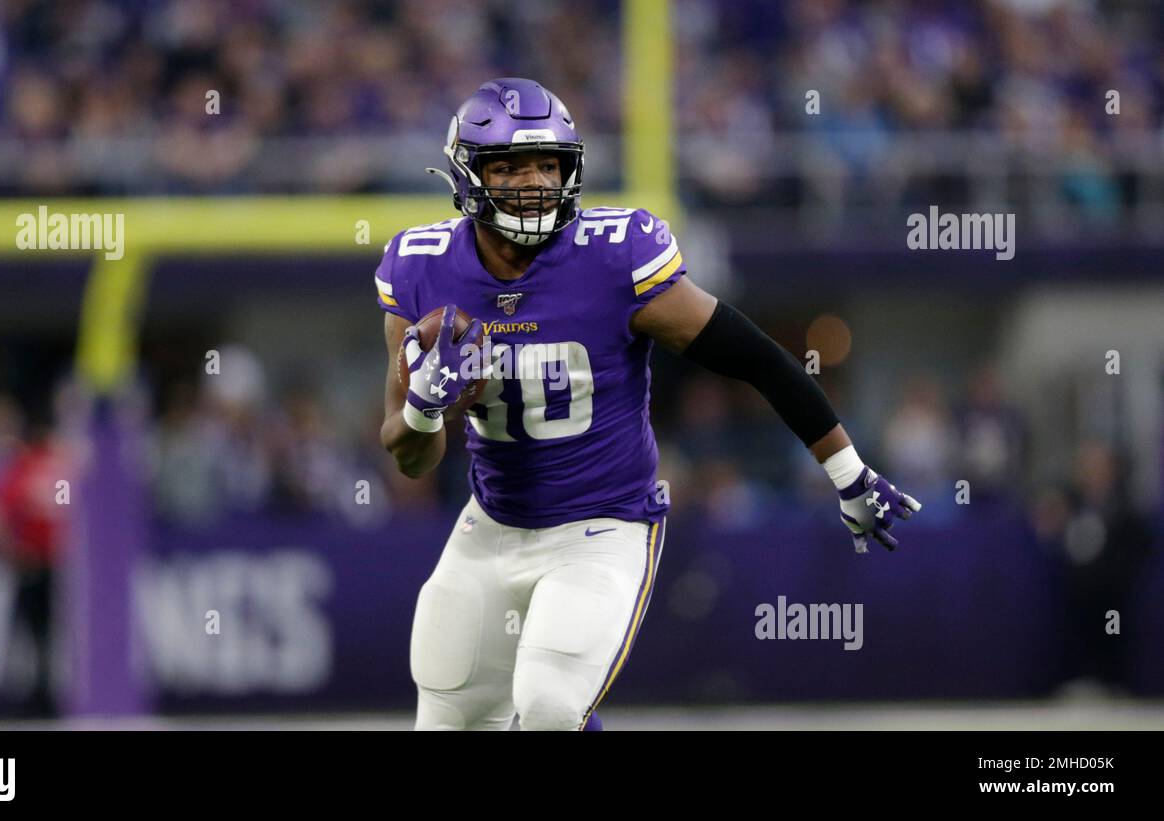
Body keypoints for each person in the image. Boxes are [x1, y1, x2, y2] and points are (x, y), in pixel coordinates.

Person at [375, 78, 921, 731]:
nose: (533, 182)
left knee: (549, 704)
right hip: (490, 528)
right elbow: (408, 457)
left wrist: (848, 473)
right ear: (469, 174)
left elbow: (757, 358)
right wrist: (424, 407)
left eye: (547, 163)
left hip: (602, 527)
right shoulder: (420, 268)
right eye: (510, 166)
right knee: (446, 719)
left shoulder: (613, 256)